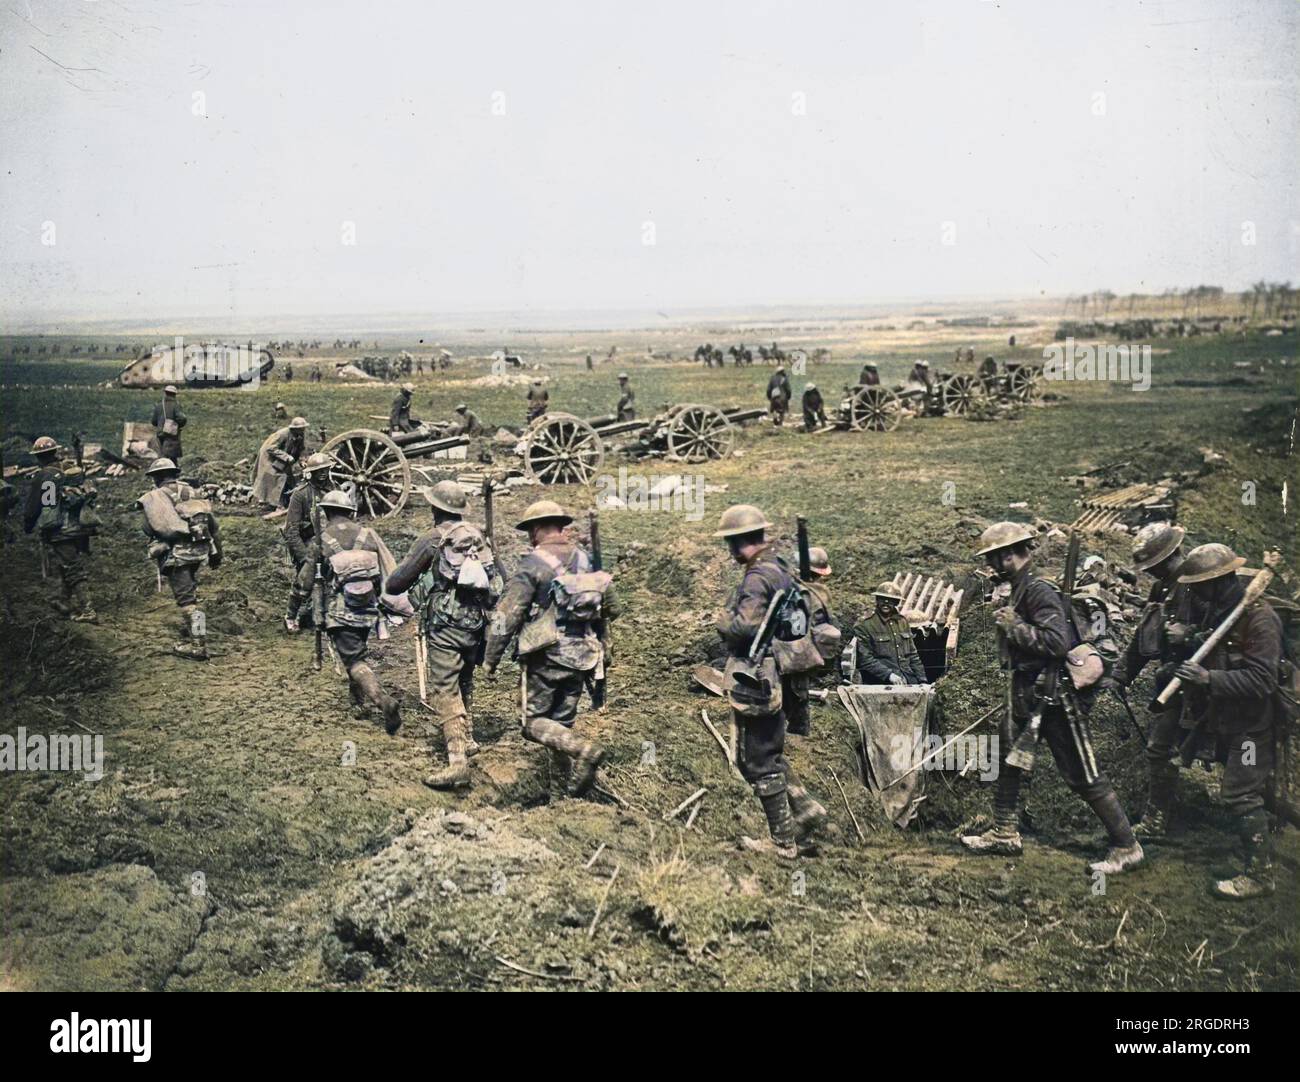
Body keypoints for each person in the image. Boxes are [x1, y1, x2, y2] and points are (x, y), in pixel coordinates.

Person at [959, 523, 1143, 876]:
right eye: (993, 558)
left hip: (1055, 698)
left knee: (1081, 773)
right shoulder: (1019, 588)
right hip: (1027, 692)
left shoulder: (1039, 590)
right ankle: (1003, 832)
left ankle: (1126, 845)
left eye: (999, 556)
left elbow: (1057, 643)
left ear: (1014, 553)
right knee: (1009, 760)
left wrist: (1016, 627)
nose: (995, 564)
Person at [1169, 543, 1282, 899]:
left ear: (1221, 581)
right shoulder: (1224, 613)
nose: (1197, 593)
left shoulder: (1261, 619)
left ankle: (1261, 875)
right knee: (1248, 788)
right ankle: (1258, 844)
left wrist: (1208, 680)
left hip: (1253, 726)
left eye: (1202, 585)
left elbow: (1262, 681)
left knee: (1239, 791)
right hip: (1228, 720)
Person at [713, 504, 827, 858]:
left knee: (757, 759)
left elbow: (746, 626)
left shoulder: (757, 577)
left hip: (760, 675)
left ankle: (783, 842)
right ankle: (805, 811)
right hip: (785, 671)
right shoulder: (781, 568)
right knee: (770, 751)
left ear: (736, 542)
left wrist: (722, 622)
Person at [483, 500, 614, 797]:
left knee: (533, 723)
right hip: (585, 655)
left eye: (531, 530)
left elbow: (508, 614)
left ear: (538, 528)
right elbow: (611, 607)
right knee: (560, 726)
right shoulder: (586, 560)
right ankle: (561, 795)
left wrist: (491, 657)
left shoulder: (533, 564)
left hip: (548, 655)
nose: (530, 536)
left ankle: (585, 750)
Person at [386, 482, 503, 790]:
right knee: (464, 679)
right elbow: (500, 579)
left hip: (445, 625)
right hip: (476, 623)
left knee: (445, 688)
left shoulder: (433, 540)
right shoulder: (479, 537)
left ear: (435, 509)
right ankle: (469, 739)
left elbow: (395, 584)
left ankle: (457, 762)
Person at [1104, 523, 1196, 840]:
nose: (1150, 572)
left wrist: (1191, 636)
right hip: (1173, 682)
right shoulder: (1161, 589)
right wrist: (1121, 674)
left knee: (1164, 747)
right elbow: (1146, 636)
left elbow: (1225, 634)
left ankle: (1160, 820)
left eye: (1153, 565)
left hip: (1204, 681)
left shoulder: (1200, 582)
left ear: (1169, 557)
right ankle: (1161, 818)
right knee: (1161, 748)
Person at [318, 489, 402, 735]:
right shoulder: (369, 535)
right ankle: (357, 701)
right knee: (356, 652)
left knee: (353, 660)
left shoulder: (322, 539)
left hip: (341, 610)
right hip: (367, 608)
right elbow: (389, 567)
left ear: (326, 512)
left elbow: (308, 579)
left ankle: (382, 701)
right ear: (350, 511)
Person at [138, 458, 222, 660]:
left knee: (187, 601)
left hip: (177, 554)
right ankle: (193, 632)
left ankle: (198, 645)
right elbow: (213, 526)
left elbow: (150, 527)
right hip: (199, 551)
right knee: (190, 591)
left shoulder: (155, 496)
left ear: (157, 477)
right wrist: (217, 552)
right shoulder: (193, 492)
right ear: (174, 473)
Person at [23, 436, 99, 622]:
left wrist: (28, 525)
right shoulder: (70, 469)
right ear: (55, 452)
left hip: (60, 529)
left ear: (39, 457)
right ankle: (63, 600)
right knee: (68, 562)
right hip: (81, 525)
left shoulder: (43, 476)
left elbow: (36, 506)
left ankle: (88, 610)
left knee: (72, 566)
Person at [282, 453, 334, 630]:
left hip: (328, 541)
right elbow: (291, 530)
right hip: (307, 544)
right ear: (310, 472)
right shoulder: (300, 495)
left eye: (325, 469)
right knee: (304, 581)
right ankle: (291, 616)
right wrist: (304, 557)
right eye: (318, 470)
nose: (323, 473)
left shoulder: (334, 490)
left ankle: (326, 612)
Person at [854, 581, 928, 685]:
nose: (886, 602)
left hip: (908, 678)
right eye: (882, 599)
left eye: (891, 600)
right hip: (881, 681)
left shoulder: (903, 622)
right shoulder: (865, 625)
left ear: (896, 602)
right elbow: (865, 659)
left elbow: (913, 655)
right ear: (877, 600)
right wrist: (888, 675)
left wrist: (922, 680)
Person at [252, 416, 309, 510]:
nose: (302, 430)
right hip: (269, 456)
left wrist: (302, 460)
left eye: (303, 428)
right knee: (273, 477)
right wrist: (286, 457)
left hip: (281, 458)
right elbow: (270, 448)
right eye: (300, 429)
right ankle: (271, 503)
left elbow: (301, 449)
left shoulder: (300, 435)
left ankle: (283, 501)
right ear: (294, 429)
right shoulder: (282, 434)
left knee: (287, 477)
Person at [149, 385, 187, 463]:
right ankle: (173, 471)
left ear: (165, 393)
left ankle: (162, 470)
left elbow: (153, 421)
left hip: (160, 433)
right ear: (174, 394)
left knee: (162, 454)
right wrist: (179, 425)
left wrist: (160, 425)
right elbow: (182, 418)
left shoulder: (159, 406)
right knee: (172, 456)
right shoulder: (176, 405)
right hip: (171, 433)